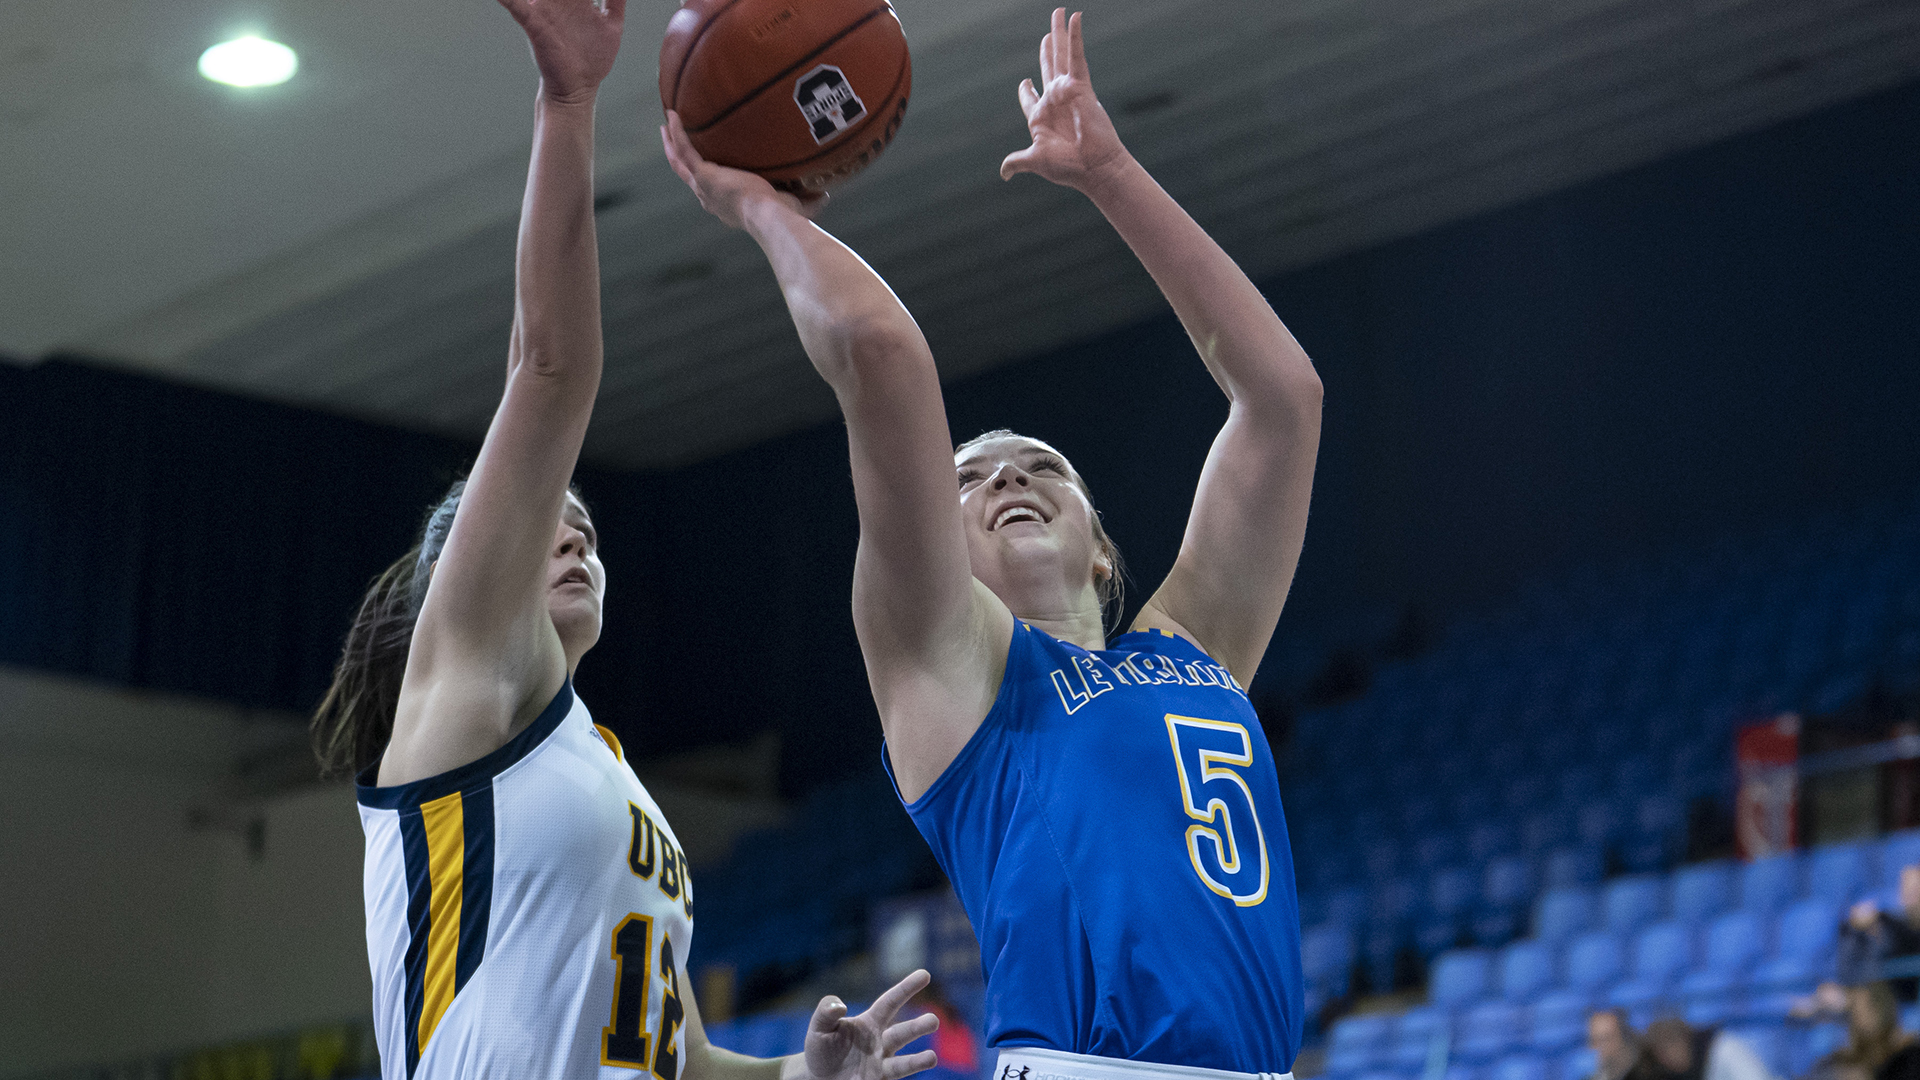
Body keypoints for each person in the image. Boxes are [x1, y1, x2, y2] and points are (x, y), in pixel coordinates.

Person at [660, 7, 1321, 1073]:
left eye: (1041, 467)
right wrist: (757, 206)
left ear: (1103, 549)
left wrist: (1111, 175)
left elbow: (1283, 400)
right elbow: (879, 353)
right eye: (970, 479)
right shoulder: (958, 674)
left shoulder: (1195, 653)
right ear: (939, 549)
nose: (1008, 475)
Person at [310, 3, 938, 1078]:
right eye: (547, 521)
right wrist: (569, 105)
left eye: (587, 529)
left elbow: (672, 1050)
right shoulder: (462, 690)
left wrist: (798, 1074)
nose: (574, 537)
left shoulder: (603, 775)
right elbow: (549, 371)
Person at [1808, 984, 1920, 1080]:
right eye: (1853, 1014)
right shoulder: (1842, 1058)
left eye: (1858, 1014)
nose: (1855, 1021)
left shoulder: (1908, 1051)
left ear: (1877, 1012)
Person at [1636, 1017, 1774, 1080]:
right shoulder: (1675, 1073)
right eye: (1660, 1056)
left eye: (1666, 1051)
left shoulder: (1724, 1049)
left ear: (1683, 1041)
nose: (1665, 1060)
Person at [1586, 1009, 1642, 1080]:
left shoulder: (1646, 1073)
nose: (1597, 1048)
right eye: (1593, 1041)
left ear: (1624, 1039)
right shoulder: (1595, 1077)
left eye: (1604, 1040)